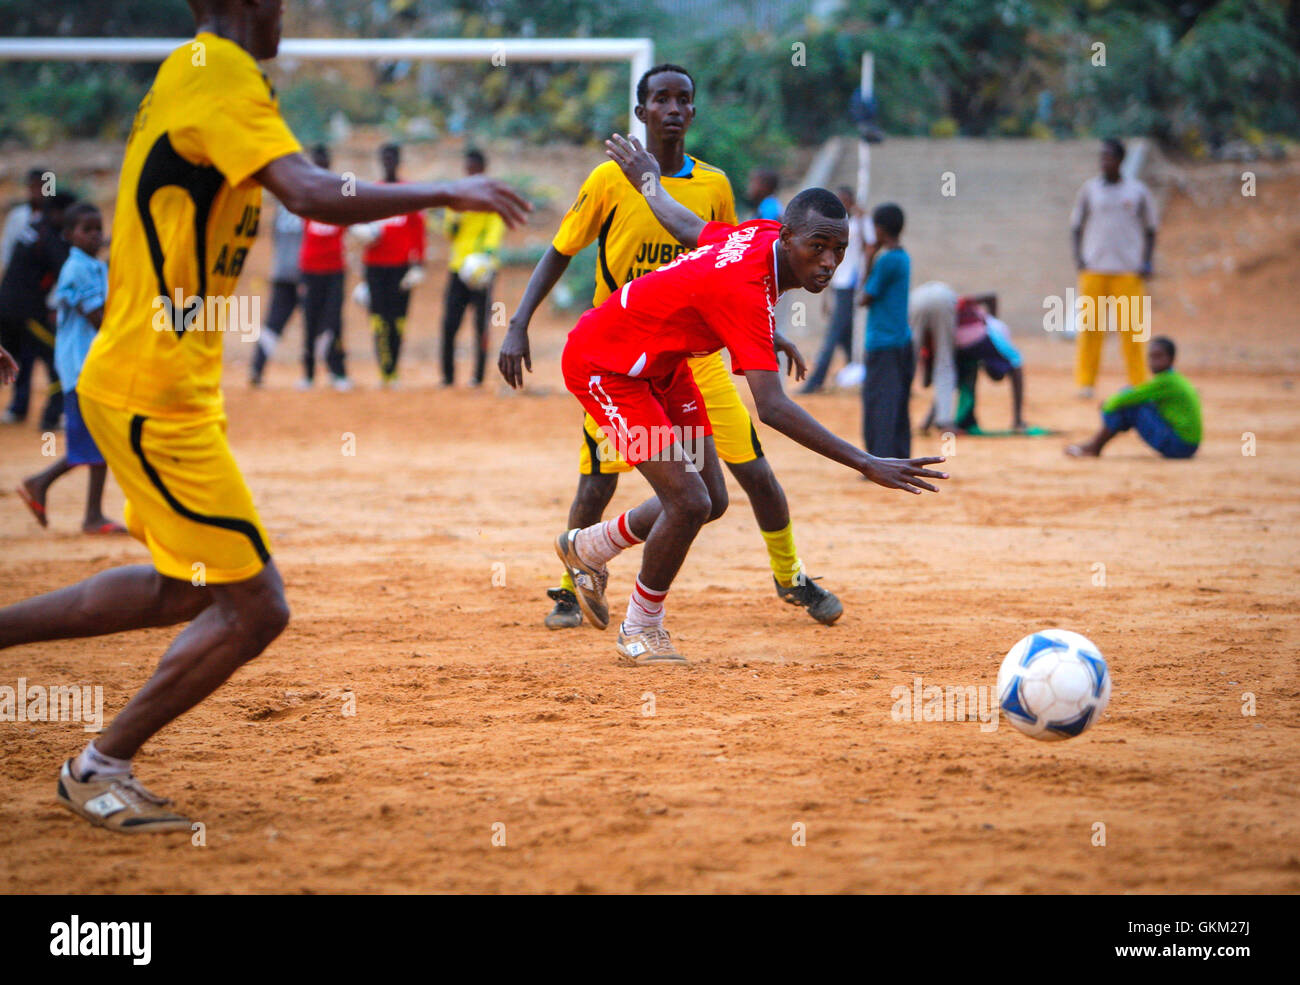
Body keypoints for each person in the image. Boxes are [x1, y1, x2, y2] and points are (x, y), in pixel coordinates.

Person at [0, 0, 528, 834]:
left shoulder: (192, 68)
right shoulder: (222, 73)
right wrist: (446, 187)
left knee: (188, 585)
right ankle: (98, 766)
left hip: (163, 384)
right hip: (152, 391)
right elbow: (313, 193)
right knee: (257, 607)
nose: (285, 11)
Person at [553, 133, 946, 664]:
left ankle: (589, 547)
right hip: (607, 364)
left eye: (839, 250)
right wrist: (864, 460)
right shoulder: (746, 283)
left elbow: (692, 230)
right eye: (818, 248)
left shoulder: (760, 235)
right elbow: (773, 406)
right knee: (687, 501)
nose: (829, 262)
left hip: (663, 365)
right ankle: (640, 629)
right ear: (787, 239)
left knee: (710, 498)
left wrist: (650, 182)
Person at [499, 63, 844, 631]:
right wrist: (518, 321)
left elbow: (731, 266)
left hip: (697, 357)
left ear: (694, 110)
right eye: (661, 99)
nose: (674, 108)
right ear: (642, 112)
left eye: (684, 98)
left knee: (743, 479)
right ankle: (573, 586)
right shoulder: (609, 180)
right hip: (619, 353)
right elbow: (561, 249)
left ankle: (791, 577)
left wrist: (769, 333)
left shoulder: (714, 184)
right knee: (604, 479)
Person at [15, 203, 125, 535]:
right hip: (81, 368)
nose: (95, 235)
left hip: (94, 366)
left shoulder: (94, 267)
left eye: (97, 228)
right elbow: (98, 318)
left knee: (98, 443)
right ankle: (43, 484)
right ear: (69, 235)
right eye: (86, 230)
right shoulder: (77, 269)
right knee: (92, 444)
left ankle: (89, 512)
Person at [1070, 138, 1158, 397]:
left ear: (1120, 160)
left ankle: (1138, 382)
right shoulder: (1089, 190)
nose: (1104, 162)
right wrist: (1079, 258)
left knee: (1131, 329)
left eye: (1108, 157)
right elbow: (1076, 225)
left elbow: (1151, 229)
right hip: (1095, 269)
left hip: (1128, 270)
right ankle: (1085, 383)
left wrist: (1147, 261)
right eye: (1102, 157)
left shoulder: (1137, 191)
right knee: (1091, 329)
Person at [0, 191, 74, 428]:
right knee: (57, 357)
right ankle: (52, 416)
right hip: (26, 311)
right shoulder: (50, 236)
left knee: (13, 359)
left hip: (9, 307)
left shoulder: (35, 228)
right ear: (57, 213)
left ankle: (21, 410)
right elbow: (66, 272)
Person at [1066, 336, 1199, 459]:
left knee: (1129, 403)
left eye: (1158, 357)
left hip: (1180, 446)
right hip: (1187, 445)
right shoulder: (1174, 379)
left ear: (1171, 359)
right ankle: (1094, 446)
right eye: (1151, 357)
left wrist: (1107, 406)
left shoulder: (1166, 382)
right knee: (1130, 400)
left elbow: (1127, 397)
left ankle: (1094, 447)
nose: (1153, 362)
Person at [362, 142, 426, 387]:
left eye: (392, 157)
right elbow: (361, 227)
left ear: (398, 161)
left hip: (401, 267)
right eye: (384, 157)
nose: (388, 161)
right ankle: (384, 370)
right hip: (374, 266)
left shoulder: (408, 192)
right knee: (378, 320)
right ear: (380, 160)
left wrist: (418, 264)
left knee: (398, 320)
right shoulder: (372, 191)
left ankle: (394, 369)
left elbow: (418, 230)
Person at [441, 147, 503, 387]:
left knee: (481, 325)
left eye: (474, 168)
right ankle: (447, 377)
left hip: (482, 269)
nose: (470, 172)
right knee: (449, 323)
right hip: (458, 267)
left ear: (482, 169)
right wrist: (454, 222)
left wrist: (487, 254)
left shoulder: (491, 195)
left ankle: (477, 377)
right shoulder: (456, 195)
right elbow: (449, 231)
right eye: (467, 168)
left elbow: (495, 227)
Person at [800, 185, 871, 394]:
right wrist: (826, 294)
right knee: (843, 333)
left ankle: (816, 380)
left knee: (833, 334)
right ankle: (855, 370)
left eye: (844, 200)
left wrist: (864, 278)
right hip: (837, 283)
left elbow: (870, 246)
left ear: (851, 201)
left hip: (851, 284)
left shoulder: (859, 223)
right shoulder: (837, 226)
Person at [858, 203, 913, 458]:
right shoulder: (902, 257)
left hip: (883, 343)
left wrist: (868, 256)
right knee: (896, 402)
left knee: (879, 403)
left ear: (879, 229)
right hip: (900, 342)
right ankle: (899, 456)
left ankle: (879, 459)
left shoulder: (887, 260)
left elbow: (863, 297)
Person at [298, 143, 352, 391]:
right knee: (309, 321)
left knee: (334, 321)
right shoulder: (304, 191)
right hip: (310, 267)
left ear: (329, 163)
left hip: (335, 269)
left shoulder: (340, 192)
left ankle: (337, 371)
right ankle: (308, 374)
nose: (319, 165)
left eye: (323, 161)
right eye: (315, 161)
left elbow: (353, 224)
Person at [248, 193, 303, 387]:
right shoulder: (310, 204)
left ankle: (257, 367)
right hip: (304, 273)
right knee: (319, 324)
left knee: (273, 325)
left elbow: (274, 237)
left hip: (280, 272)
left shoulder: (282, 206)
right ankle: (332, 373)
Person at [1, 167, 48, 272]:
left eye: (41, 186)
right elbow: (7, 248)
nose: (37, 191)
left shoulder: (53, 217)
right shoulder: (17, 216)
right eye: (34, 186)